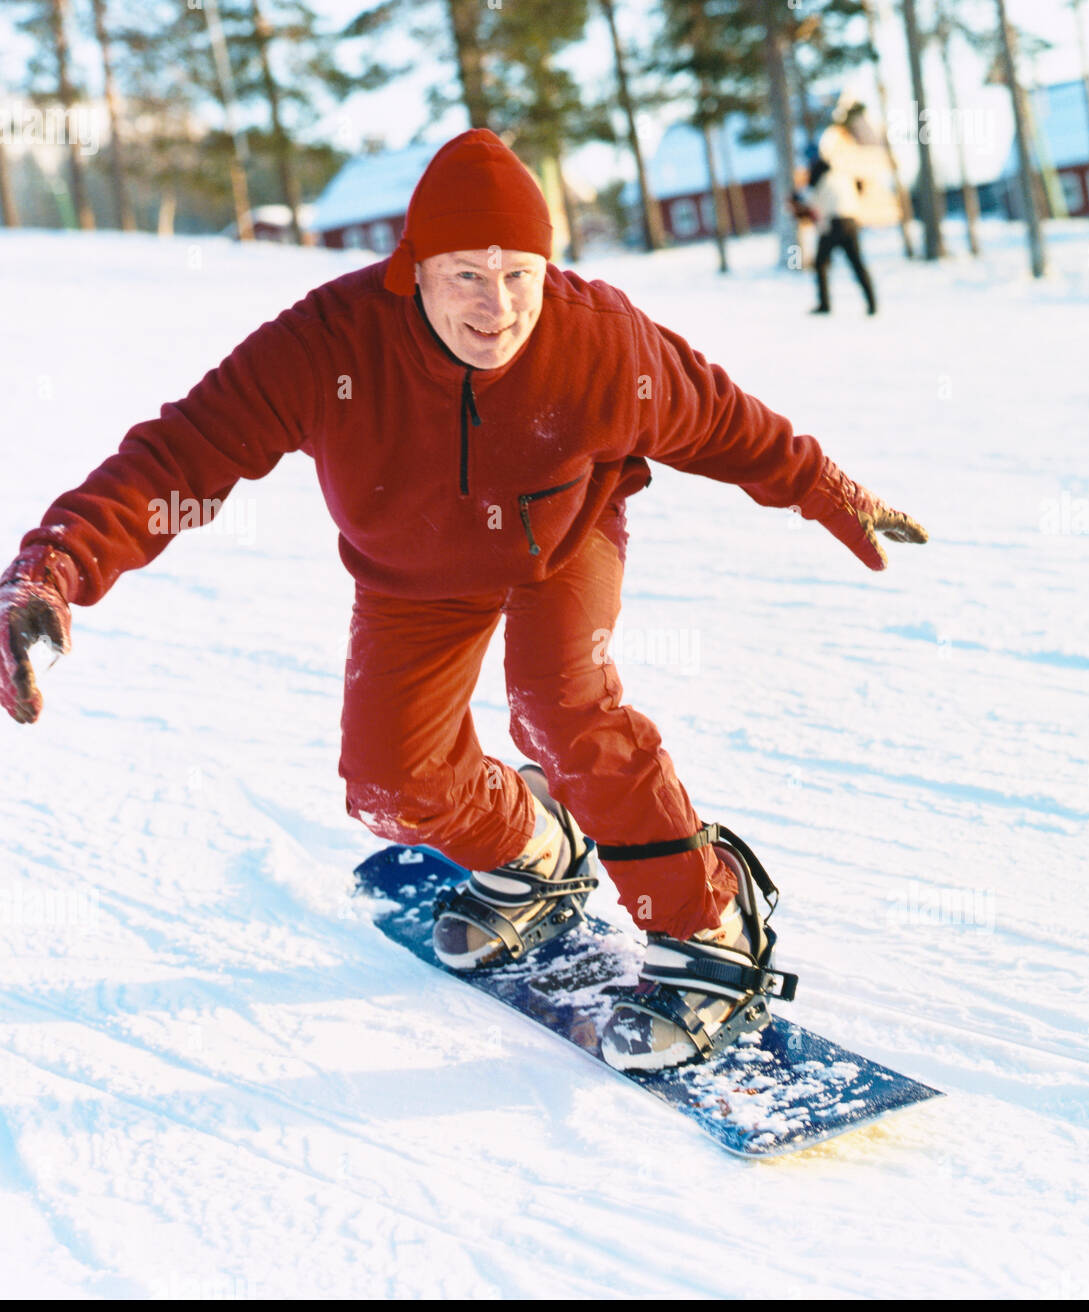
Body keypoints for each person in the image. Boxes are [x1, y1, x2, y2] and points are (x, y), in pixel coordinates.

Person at [0, 130, 927, 1072]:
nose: (498, 307)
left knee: (561, 704)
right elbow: (180, 457)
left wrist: (826, 492)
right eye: (467, 276)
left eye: (519, 273)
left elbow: (725, 422)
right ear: (413, 269)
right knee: (389, 781)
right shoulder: (325, 345)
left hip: (561, 537)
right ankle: (529, 847)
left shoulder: (599, 339)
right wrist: (56, 569)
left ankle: (710, 917)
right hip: (414, 569)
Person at [807, 125, 879, 317]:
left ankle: (824, 304)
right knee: (857, 263)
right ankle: (872, 304)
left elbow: (813, 204)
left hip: (834, 224)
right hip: (852, 222)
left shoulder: (820, 179)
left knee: (821, 263)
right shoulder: (844, 176)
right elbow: (859, 192)